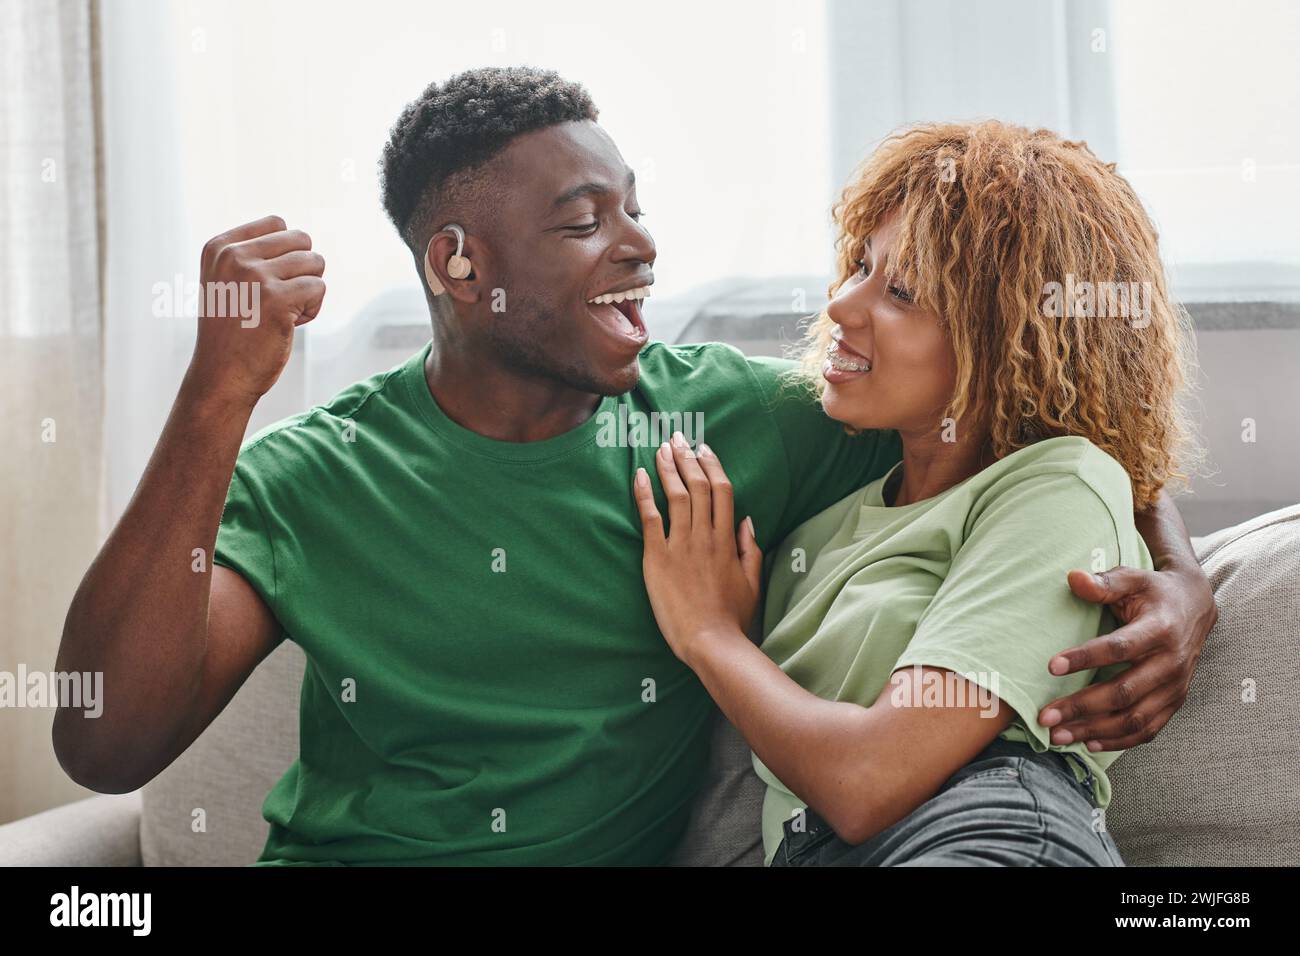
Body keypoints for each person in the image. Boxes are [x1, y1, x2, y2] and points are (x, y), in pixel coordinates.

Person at [54, 70, 1217, 865]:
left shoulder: (733, 417)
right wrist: (217, 397)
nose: (642, 243)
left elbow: (1027, 399)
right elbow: (102, 740)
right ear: (460, 262)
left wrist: (1180, 577)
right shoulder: (320, 469)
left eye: (637, 208)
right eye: (584, 219)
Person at [632, 120, 1208, 866]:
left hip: (980, 830)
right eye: (859, 266)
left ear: (1012, 337)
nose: (840, 305)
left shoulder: (1057, 485)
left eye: (901, 291)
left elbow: (869, 779)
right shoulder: (824, 523)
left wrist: (709, 636)